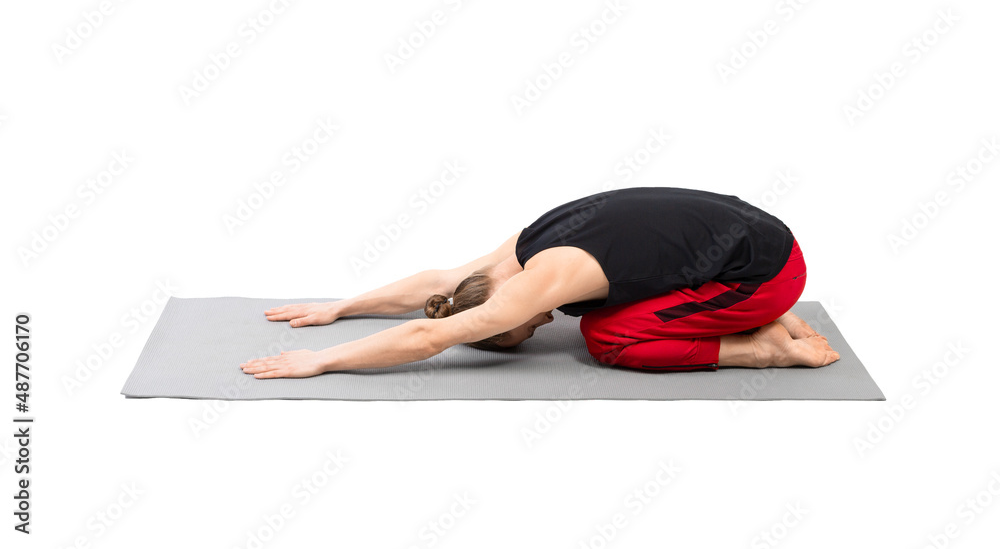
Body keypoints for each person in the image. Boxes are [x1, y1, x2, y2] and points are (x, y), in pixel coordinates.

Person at [240, 186, 839, 379]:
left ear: (500, 312)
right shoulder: (517, 254)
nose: (541, 324)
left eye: (517, 331)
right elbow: (442, 284)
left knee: (607, 337)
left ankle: (759, 345)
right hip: (749, 231)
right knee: (609, 306)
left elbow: (429, 336)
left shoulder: (535, 283)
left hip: (769, 270)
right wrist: (342, 306)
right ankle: (743, 310)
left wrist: (321, 361)